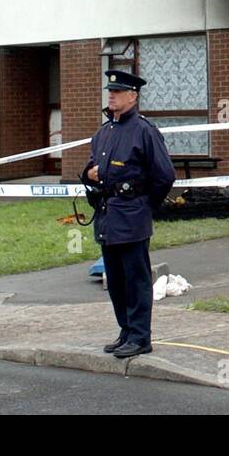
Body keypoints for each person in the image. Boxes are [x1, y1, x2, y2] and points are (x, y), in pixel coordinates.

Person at [80, 69, 176, 358]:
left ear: (132, 97)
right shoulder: (104, 132)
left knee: (136, 280)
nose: (112, 95)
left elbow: (164, 175)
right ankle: (126, 330)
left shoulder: (143, 131)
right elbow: (90, 168)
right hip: (108, 216)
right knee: (117, 282)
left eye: (118, 91)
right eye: (110, 91)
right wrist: (89, 174)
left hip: (132, 216)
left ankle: (140, 336)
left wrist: (145, 205)